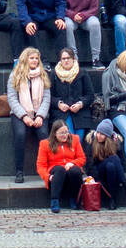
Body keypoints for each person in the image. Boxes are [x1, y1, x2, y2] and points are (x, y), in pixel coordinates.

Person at [7, 47, 51, 183]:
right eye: (32, 58)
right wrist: (24, 116)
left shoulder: (43, 75)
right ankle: (19, 171)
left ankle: (47, 169)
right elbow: (12, 99)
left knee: (44, 135)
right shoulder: (15, 75)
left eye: (36, 58)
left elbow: (47, 98)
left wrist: (40, 116)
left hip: (39, 113)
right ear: (25, 59)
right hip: (20, 113)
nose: (34, 61)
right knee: (20, 134)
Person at [36, 119, 86, 213]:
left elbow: (82, 158)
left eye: (66, 132)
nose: (65, 135)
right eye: (61, 133)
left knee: (75, 171)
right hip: (56, 174)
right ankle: (55, 200)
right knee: (60, 170)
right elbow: (40, 165)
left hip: (70, 171)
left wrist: (73, 163)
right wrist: (48, 177)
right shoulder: (45, 144)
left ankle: (74, 198)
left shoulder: (75, 139)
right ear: (55, 133)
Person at [60, 0, 103, 68]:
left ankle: (96, 59)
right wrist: (73, 15)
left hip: (86, 18)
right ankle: (74, 58)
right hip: (70, 17)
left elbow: (94, 7)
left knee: (95, 23)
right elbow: (60, 7)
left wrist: (83, 15)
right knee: (67, 25)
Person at [50, 45, 95, 140]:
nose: (66, 61)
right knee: (70, 137)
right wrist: (59, 104)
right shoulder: (54, 74)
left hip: (80, 113)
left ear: (73, 59)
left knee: (78, 139)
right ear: (60, 60)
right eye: (63, 59)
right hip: (62, 113)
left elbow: (90, 95)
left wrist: (80, 104)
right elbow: (49, 96)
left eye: (68, 58)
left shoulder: (82, 73)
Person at [84, 119, 126, 209]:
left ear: (108, 136)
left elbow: (122, 161)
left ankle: (112, 199)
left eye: (102, 134)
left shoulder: (115, 142)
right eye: (98, 133)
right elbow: (90, 165)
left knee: (111, 165)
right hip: (98, 171)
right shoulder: (91, 141)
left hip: (112, 171)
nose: (99, 136)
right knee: (114, 158)